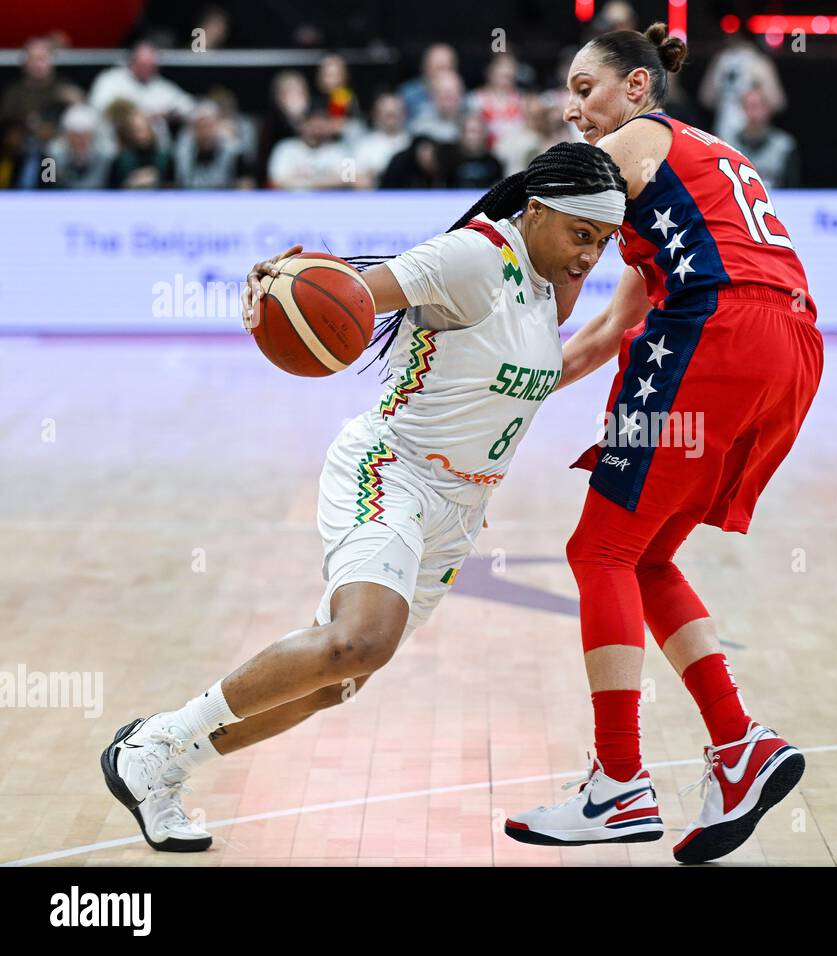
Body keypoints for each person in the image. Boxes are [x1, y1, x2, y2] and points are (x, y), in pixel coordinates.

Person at [99, 142, 627, 852]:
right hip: (391, 469)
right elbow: (351, 295)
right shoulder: (472, 258)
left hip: (459, 509)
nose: (591, 255)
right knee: (360, 639)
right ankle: (154, 743)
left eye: (604, 241)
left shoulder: (549, 283)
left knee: (336, 680)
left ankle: (166, 768)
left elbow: (531, 374)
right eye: (581, 233)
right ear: (535, 211)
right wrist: (281, 283)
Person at [504, 23, 822, 865]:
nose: (573, 109)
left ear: (638, 88)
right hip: (785, 348)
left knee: (598, 549)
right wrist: (511, 391)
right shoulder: (687, 173)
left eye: (585, 89)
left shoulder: (637, 141)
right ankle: (740, 744)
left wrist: (432, 274)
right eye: (569, 93)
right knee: (642, 557)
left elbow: (551, 200)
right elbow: (610, 330)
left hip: (718, 334)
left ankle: (619, 782)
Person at [88, 41, 193, 124]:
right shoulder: (111, 79)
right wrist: (135, 114)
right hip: (114, 142)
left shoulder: (160, 86)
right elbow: (97, 105)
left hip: (153, 145)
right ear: (132, 61)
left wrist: (164, 115)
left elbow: (187, 106)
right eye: (143, 65)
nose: (146, 70)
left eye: (150, 66)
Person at [266, 104, 348, 190]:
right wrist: (327, 182)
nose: (318, 129)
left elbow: (351, 180)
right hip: (294, 201)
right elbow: (276, 182)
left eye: (322, 124)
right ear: (303, 125)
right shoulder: (285, 148)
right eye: (314, 124)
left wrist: (305, 183)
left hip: (331, 201)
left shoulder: (342, 149)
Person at [734, 86, 799, 188]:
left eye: (759, 106)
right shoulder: (728, 144)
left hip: (778, 201)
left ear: (768, 109)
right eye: (750, 106)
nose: (754, 113)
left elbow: (793, 188)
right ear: (742, 109)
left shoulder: (784, 146)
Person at [352, 93, 410, 187]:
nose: (392, 119)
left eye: (395, 114)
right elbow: (347, 177)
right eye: (388, 115)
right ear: (375, 115)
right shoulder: (361, 144)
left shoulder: (413, 142)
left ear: (405, 114)